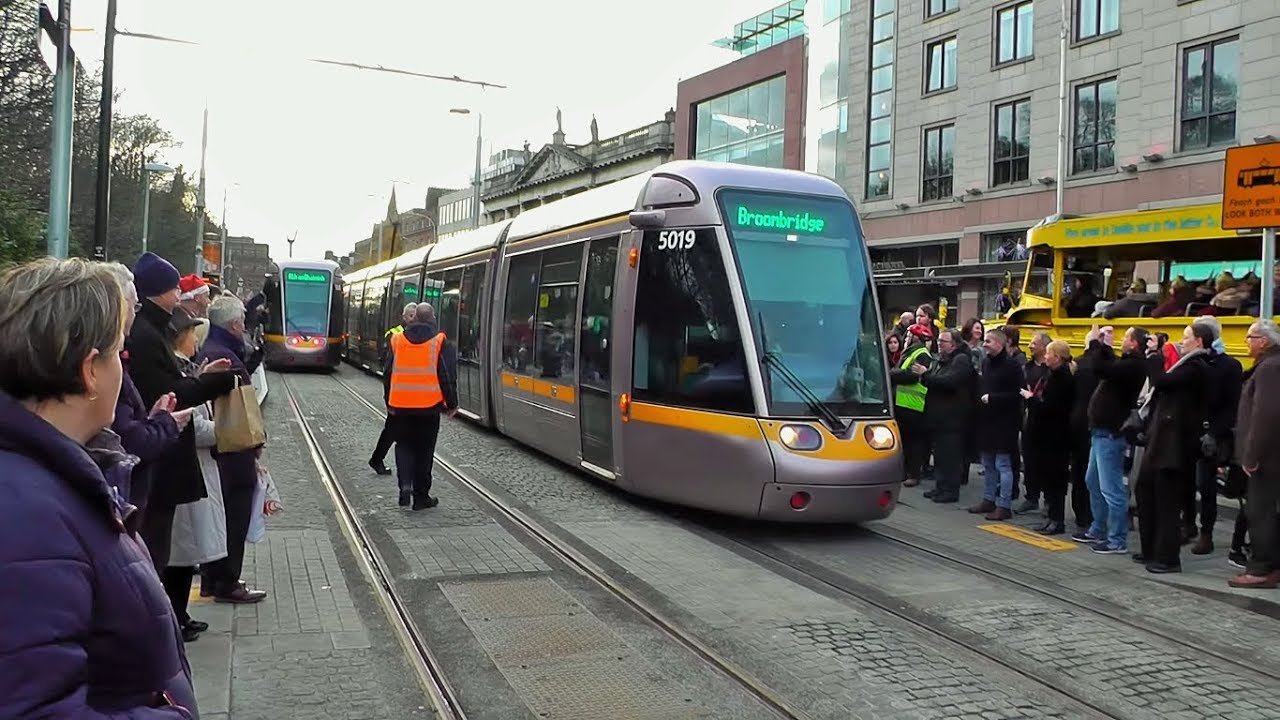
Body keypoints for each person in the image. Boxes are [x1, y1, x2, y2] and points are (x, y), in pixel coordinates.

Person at [0, 257, 198, 718]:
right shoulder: (29, 517)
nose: (123, 370)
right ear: (91, 369)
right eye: (118, 354)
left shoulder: (55, 477)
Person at [126, 252, 236, 577]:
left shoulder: (154, 329)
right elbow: (168, 392)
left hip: (166, 453)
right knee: (157, 546)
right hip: (162, 456)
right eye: (174, 287)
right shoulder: (147, 335)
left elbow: (172, 382)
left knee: (163, 543)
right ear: (158, 291)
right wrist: (212, 384)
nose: (178, 293)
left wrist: (200, 377)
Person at [198, 296, 268, 604]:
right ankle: (227, 582)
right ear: (236, 324)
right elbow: (244, 408)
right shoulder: (225, 357)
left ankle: (213, 579)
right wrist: (256, 444)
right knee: (234, 517)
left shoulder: (212, 348)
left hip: (219, 451)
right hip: (232, 451)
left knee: (220, 516)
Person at [168, 311, 229, 640]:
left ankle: (181, 614)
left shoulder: (186, 368)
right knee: (180, 553)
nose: (196, 339)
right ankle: (176, 617)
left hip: (196, 468)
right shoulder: (175, 371)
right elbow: (192, 424)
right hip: (189, 469)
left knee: (185, 551)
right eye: (192, 333)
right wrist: (227, 430)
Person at [1134, 323, 1212, 573]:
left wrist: (1154, 357)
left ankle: (1168, 557)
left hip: (1174, 447)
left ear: (1199, 341)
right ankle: (1150, 549)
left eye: (1187, 337)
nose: (1181, 341)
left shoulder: (1196, 367)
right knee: (1146, 493)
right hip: (1160, 442)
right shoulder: (1186, 366)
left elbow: (1161, 382)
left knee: (1167, 503)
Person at [1074, 325, 1151, 554]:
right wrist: (1105, 347)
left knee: (1112, 488)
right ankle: (1098, 527)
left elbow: (1102, 369)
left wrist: (1096, 344)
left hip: (1110, 433)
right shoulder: (1126, 363)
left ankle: (1117, 539)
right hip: (1100, 432)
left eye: (1126, 337)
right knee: (1093, 481)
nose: (1121, 340)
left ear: (1134, 343)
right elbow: (1109, 366)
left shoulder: (1134, 365)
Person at [384, 303, 458, 509]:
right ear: (433, 318)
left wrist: (388, 401)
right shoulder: (440, 341)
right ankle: (420, 496)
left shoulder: (397, 340)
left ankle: (404, 486)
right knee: (425, 451)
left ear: (414, 317)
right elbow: (446, 375)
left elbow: (388, 373)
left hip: (400, 406)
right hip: (429, 407)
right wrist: (451, 404)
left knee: (404, 446)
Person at [1229, 319, 1280, 589]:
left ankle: (1261, 568)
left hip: (1267, 458)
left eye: (1250, 337)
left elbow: (1265, 414)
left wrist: (1251, 455)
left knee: (1260, 512)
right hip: (1272, 455)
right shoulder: (1270, 365)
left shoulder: (1270, 368)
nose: (1246, 342)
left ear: (1264, 341)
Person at [968, 329, 1023, 521]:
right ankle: (988, 499)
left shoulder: (1012, 365)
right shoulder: (986, 363)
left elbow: (1017, 394)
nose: (985, 344)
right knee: (988, 463)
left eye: (989, 341)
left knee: (1003, 465)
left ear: (1000, 344)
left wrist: (993, 398)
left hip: (1005, 423)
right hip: (987, 421)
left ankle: (1004, 505)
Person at [1022, 340, 1075, 535]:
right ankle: (1051, 518)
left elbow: (1052, 408)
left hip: (1056, 436)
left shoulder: (1063, 379)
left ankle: (1057, 520)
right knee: (1048, 478)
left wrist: (1031, 399)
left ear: (1057, 357)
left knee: (1056, 480)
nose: (1045, 357)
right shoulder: (1051, 375)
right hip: (1046, 434)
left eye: (1048, 354)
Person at [917, 329, 975, 504]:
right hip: (940, 418)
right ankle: (940, 487)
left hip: (952, 418)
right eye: (939, 341)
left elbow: (949, 382)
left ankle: (950, 490)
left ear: (954, 344)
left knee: (950, 457)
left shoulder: (961, 360)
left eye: (943, 341)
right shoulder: (942, 360)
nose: (939, 344)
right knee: (940, 456)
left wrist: (925, 374)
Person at [369, 302, 419, 475]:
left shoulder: (418, 336)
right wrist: (388, 397)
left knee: (400, 429)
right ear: (403, 317)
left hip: (409, 394)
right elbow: (388, 370)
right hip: (397, 395)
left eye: (415, 315)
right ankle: (377, 459)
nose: (413, 319)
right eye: (410, 315)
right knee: (393, 429)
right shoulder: (394, 335)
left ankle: (378, 459)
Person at [889, 323, 934, 486]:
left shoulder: (922, 354)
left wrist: (893, 373)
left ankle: (914, 474)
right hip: (903, 403)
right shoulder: (909, 352)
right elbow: (904, 371)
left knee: (915, 443)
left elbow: (912, 376)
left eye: (909, 335)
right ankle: (905, 471)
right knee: (905, 442)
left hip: (914, 405)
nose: (906, 338)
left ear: (916, 338)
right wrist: (898, 373)